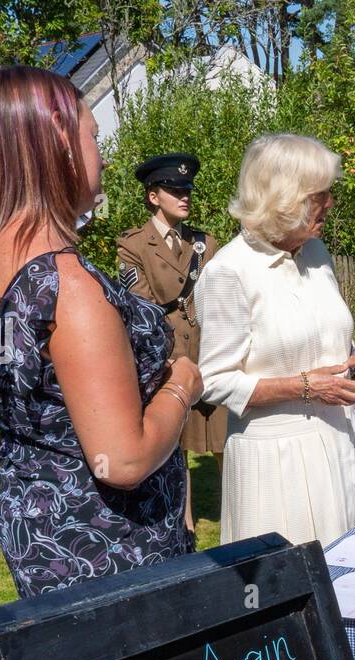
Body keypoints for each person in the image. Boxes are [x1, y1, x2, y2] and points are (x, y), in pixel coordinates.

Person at [0, 65, 202, 599]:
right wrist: (183, 382)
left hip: (39, 528)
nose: (103, 157)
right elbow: (124, 459)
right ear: (59, 148)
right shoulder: (66, 286)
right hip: (109, 549)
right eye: (94, 138)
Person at [194, 133, 355, 546]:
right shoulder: (230, 271)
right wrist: (306, 386)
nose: (330, 202)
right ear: (285, 197)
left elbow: (327, 336)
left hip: (339, 442)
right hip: (276, 462)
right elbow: (214, 381)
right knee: (290, 589)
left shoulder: (316, 254)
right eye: (321, 194)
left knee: (346, 579)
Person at [117, 154, 224, 539]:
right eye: (175, 191)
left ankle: (240, 513)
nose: (184, 197)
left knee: (222, 437)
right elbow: (142, 307)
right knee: (175, 445)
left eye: (187, 191)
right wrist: (173, 358)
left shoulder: (205, 243)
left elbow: (224, 297)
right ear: (153, 196)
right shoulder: (133, 246)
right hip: (168, 357)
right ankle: (186, 524)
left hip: (211, 353)